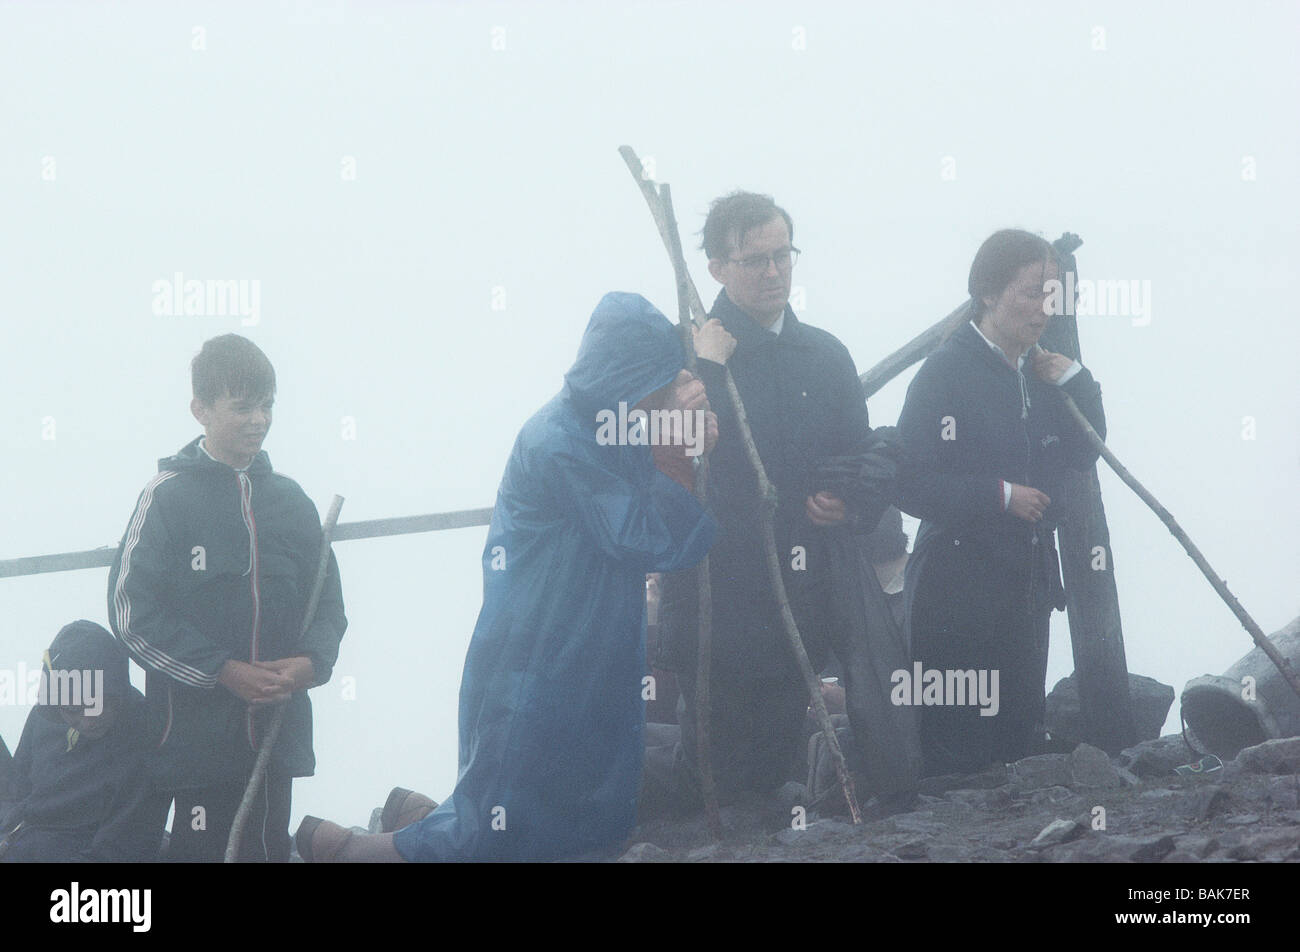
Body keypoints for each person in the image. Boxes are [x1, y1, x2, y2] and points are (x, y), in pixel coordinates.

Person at [295, 291, 718, 862]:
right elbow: (641, 536)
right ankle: (350, 851)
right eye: (654, 384)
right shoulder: (559, 441)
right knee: (508, 808)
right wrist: (675, 453)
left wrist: (678, 444)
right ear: (621, 377)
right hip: (539, 645)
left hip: (595, 640)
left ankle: (393, 827)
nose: (660, 397)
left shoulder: (611, 424)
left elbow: (659, 534)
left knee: (585, 785)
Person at [648, 191, 919, 817]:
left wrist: (850, 502)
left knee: (774, 763)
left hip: (799, 596)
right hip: (715, 593)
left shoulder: (823, 355)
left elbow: (862, 453)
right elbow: (675, 465)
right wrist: (708, 373)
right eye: (754, 260)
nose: (773, 273)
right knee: (712, 775)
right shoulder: (681, 356)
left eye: (782, 256)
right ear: (715, 267)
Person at [106, 334, 347, 862]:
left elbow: (329, 605)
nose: (259, 419)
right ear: (200, 409)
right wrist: (222, 671)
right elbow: (131, 615)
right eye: (243, 406)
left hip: (276, 738)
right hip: (196, 742)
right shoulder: (166, 496)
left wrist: (312, 663)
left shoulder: (292, 501)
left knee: (264, 850)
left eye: (267, 405)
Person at [896, 228, 1107, 776]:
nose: (1044, 310)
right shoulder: (948, 370)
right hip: (955, 587)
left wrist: (1079, 382)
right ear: (987, 292)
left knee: (1016, 738)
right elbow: (910, 481)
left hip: (1027, 582)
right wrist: (999, 495)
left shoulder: (1040, 373)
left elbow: (1086, 451)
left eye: (1053, 296)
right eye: (1031, 292)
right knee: (957, 751)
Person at [0, 620, 165, 862]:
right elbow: (17, 788)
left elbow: (123, 847)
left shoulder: (143, 738)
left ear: (115, 690)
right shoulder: (45, 718)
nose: (86, 721)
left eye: (94, 706)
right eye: (71, 711)